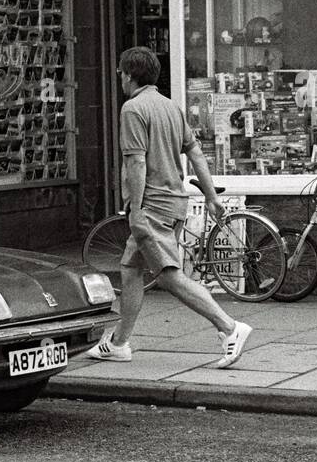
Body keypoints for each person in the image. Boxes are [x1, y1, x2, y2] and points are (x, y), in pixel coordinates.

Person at [89, 46, 253, 367]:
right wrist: (211, 196)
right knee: (131, 270)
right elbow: (195, 153)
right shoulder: (171, 107)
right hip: (175, 203)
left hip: (152, 206)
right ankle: (120, 343)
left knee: (169, 277)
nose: (120, 79)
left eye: (121, 73)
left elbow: (136, 163)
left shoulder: (133, 109)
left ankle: (230, 328)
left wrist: (135, 210)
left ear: (130, 75)